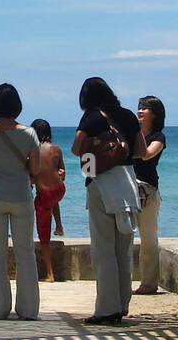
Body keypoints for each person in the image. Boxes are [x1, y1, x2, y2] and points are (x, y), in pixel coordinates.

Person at [72, 77, 144, 324]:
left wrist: (96, 149)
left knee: (103, 249)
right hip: (127, 183)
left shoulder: (91, 117)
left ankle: (106, 309)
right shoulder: (128, 116)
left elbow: (76, 148)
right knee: (123, 248)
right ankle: (122, 305)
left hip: (100, 183)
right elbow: (141, 151)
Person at [0, 84, 41, 320]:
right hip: (21, 195)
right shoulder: (30, 133)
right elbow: (35, 168)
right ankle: (28, 308)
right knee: (25, 251)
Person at [132, 96, 167, 295]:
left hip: (148, 192)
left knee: (148, 239)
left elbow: (146, 154)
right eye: (139, 107)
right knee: (124, 237)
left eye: (144, 108)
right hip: (129, 189)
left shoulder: (158, 137)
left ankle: (149, 283)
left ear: (154, 113)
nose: (140, 111)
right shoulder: (134, 133)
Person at [29, 119, 66, 282]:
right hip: (59, 190)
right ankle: (59, 226)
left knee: (44, 238)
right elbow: (62, 172)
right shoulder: (56, 149)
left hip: (44, 194)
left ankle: (50, 274)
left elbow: (30, 175)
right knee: (52, 200)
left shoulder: (32, 151)